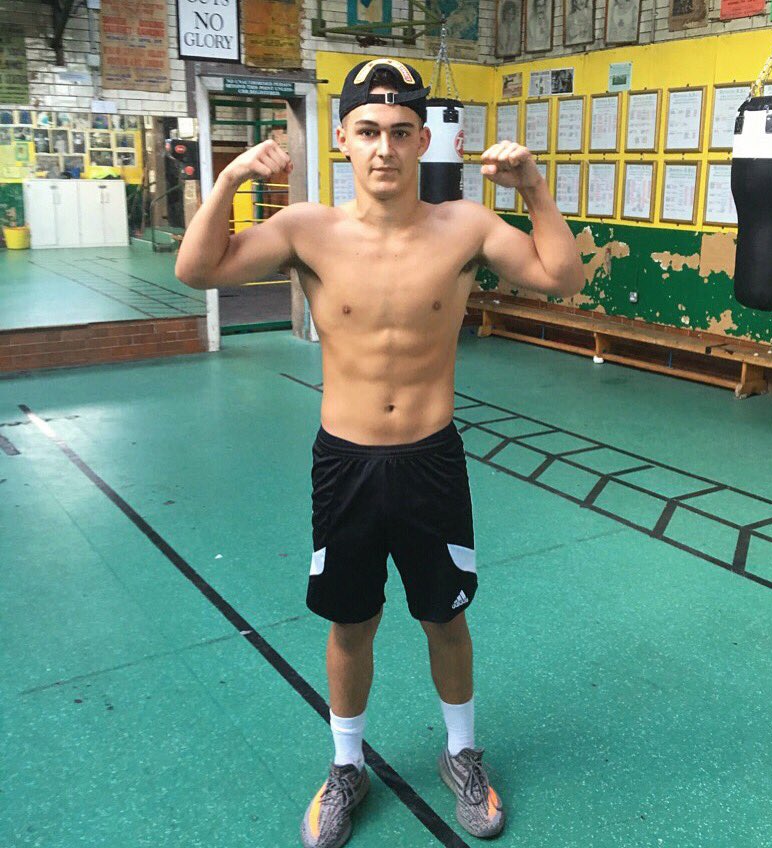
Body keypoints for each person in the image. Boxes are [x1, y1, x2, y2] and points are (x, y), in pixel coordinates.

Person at [175, 58, 583, 848]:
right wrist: (228, 179)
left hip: (432, 461)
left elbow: (560, 277)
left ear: (425, 141)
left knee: (445, 618)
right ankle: (346, 767)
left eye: (401, 132)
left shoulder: (465, 226)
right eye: (368, 131)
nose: (385, 148)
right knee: (350, 623)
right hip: (347, 465)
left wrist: (534, 189)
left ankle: (461, 753)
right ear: (343, 139)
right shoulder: (307, 230)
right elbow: (197, 269)